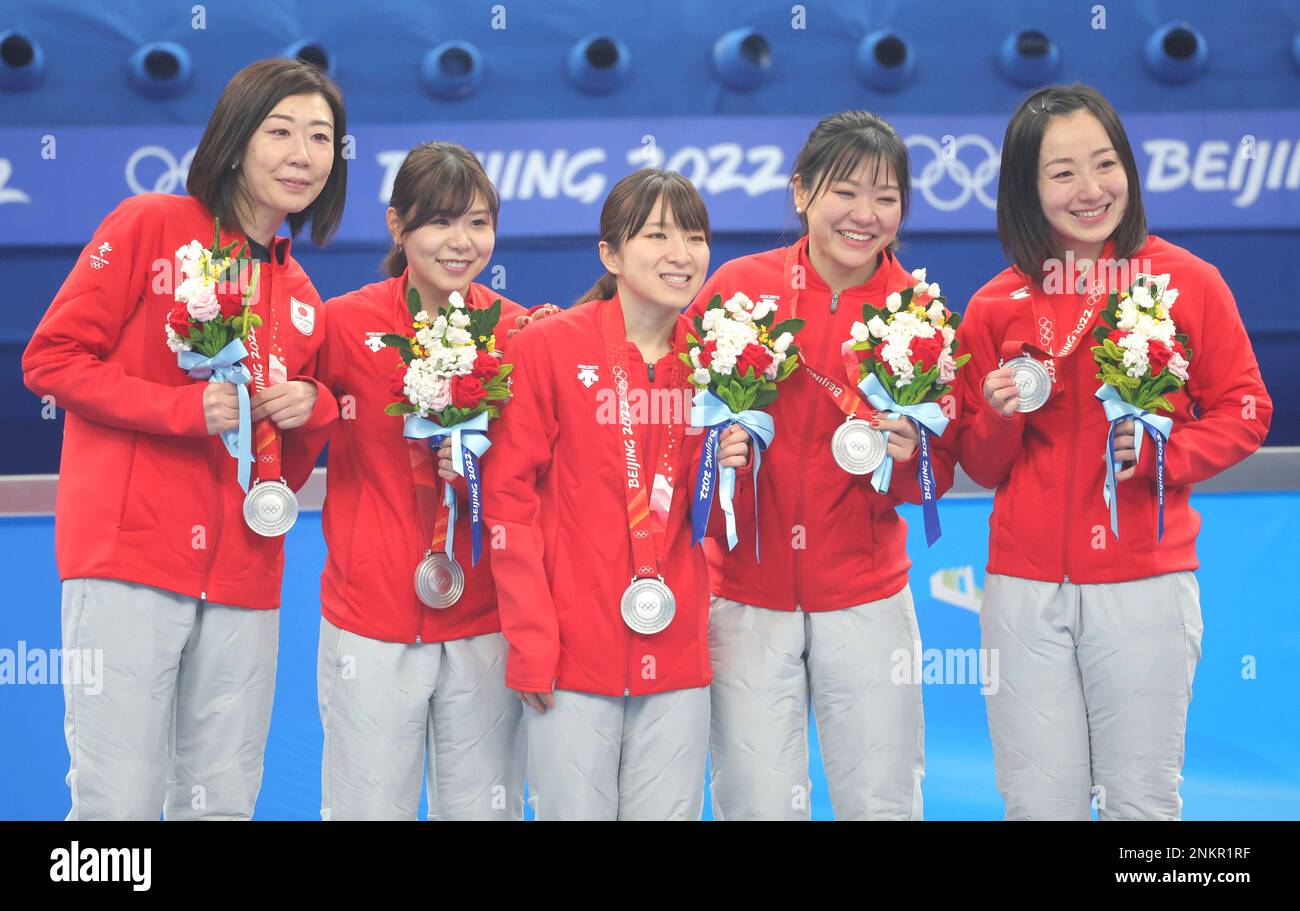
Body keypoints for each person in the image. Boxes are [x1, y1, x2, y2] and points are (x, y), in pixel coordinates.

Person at [21, 58, 347, 820]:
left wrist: (313, 410)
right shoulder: (152, 224)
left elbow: (282, 476)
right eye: (282, 132)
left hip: (244, 575)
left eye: (322, 138)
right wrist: (182, 410)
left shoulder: (304, 300)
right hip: (129, 556)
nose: (303, 154)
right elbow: (52, 359)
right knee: (116, 802)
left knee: (223, 801)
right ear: (235, 141)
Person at [957, 84, 1272, 820]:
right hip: (1023, 590)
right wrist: (1001, 417)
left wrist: (1171, 453)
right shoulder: (993, 305)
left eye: (1105, 164)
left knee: (1141, 802)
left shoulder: (1188, 281)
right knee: (1039, 803)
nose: (1091, 189)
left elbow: (1248, 409)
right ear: (1027, 189)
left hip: (1144, 581)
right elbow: (981, 464)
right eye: (1062, 172)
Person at [691, 111, 953, 820]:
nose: (865, 215)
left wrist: (908, 458)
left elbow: (941, 467)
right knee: (755, 803)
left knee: (882, 801)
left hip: (865, 594)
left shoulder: (920, 312)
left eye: (887, 196)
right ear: (801, 190)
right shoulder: (737, 289)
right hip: (746, 588)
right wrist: (713, 456)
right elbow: (684, 427)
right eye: (845, 191)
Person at [484, 169, 750, 820]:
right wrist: (532, 640)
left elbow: (713, 526)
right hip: (571, 658)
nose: (680, 253)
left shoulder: (719, 362)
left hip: (678, 651)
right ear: (610, 253)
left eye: (694, 235)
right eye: (657, 234)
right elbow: (508, 505)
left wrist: (735, 471)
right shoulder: (548, 347)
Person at [313, 141, 528, 820]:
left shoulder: (520, 331)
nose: (461, 242)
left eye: (478, 222)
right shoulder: (344, 325)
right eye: (439, 221)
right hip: (371, 618)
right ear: (396, 225)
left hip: (488, 616)